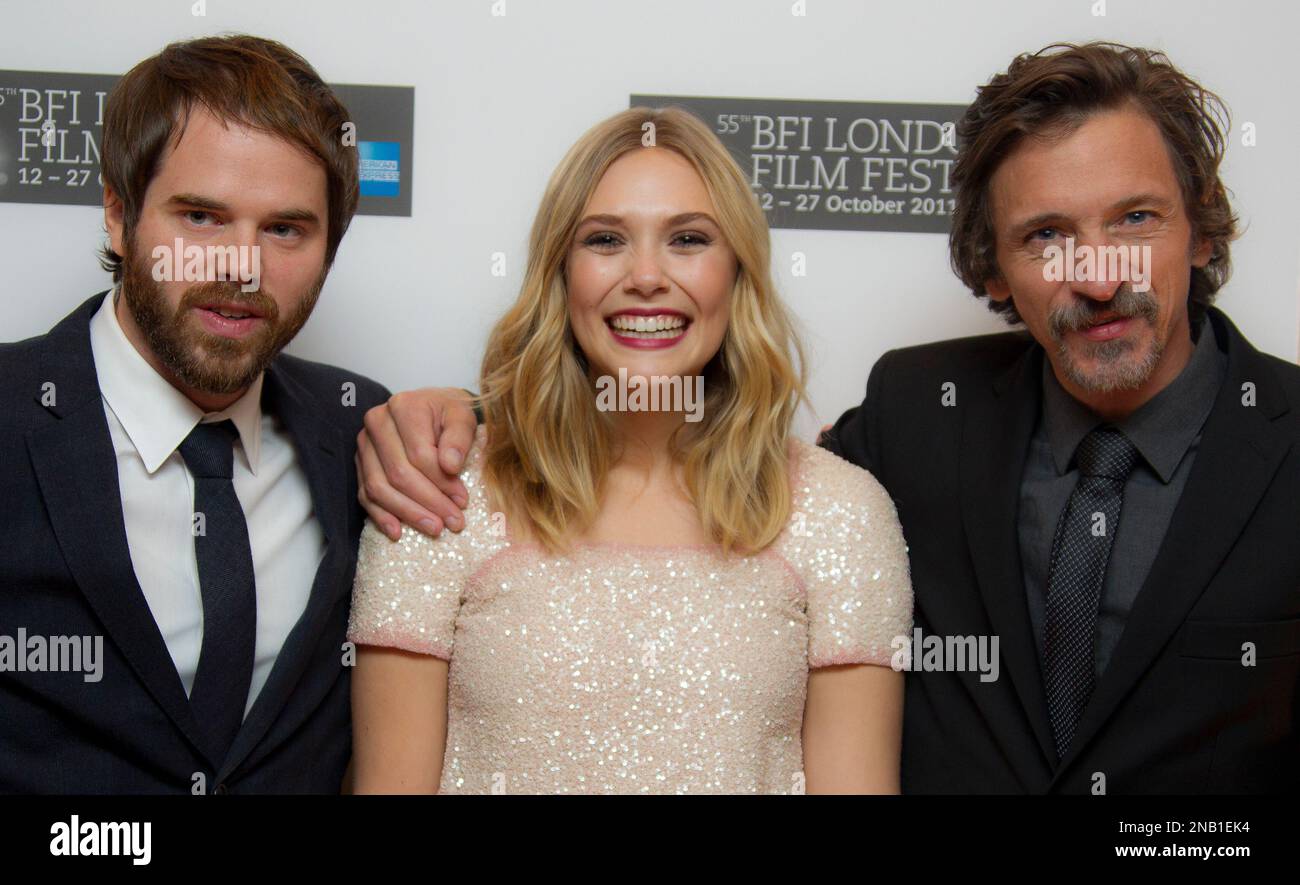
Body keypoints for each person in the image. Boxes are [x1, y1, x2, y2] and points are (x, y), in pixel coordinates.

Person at [355, 42, 1300, 794]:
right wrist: (465, 415)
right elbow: (653, 411)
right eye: (1045, 235)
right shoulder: (920, 416)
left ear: (1203, 226)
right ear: (990, 265)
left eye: (1135, 219)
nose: (1098, 276)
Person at [346, 107, 912, 794]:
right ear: (560, 274)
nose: (646, 275)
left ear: (738, 273)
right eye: (606, 239)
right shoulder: (438, 491)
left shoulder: (840, 515)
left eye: (689, 239)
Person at [0, 35, 390, 793]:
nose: (241, 266)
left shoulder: (364, 430)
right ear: (119, 216)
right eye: (203, 217)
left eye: (285, 229)